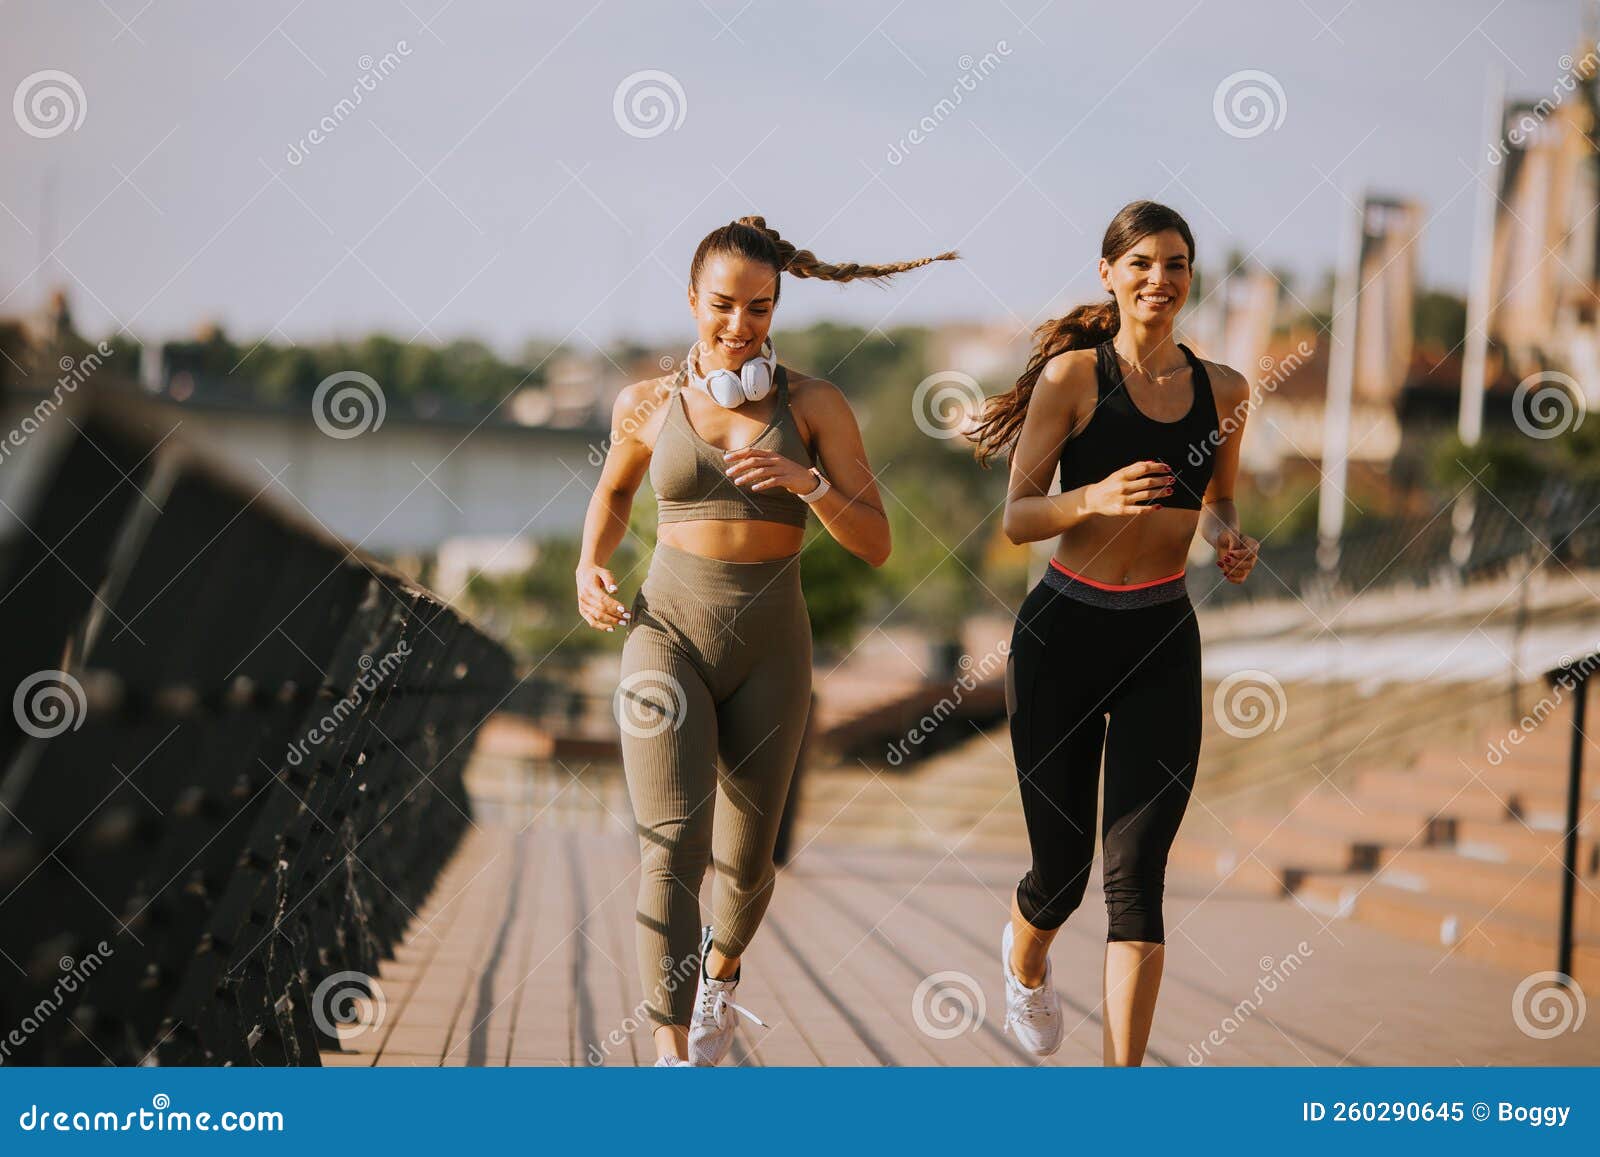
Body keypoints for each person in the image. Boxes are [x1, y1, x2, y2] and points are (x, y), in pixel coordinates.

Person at [576, 215, 956, 1066]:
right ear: (690, 300)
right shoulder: (643, 403)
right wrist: (587, 567)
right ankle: (671, 1053)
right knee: (671, 843)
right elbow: (610, 498)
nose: (739, 325)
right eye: (722, 306)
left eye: (759, 307)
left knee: (746, 868)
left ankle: (721, 969)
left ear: (778, 306)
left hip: (773, 651)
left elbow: (876, 541)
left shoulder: (815, 405)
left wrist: (807, 482)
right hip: (665, 632)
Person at [967, 199, 1259, 1065]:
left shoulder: (1227, 391)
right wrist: (1091, 498)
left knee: (1137, 880)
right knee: (1060, 876)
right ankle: (1026, 960)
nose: (1158, 280)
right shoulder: (1072, 381)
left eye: (1175, 264)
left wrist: (1229, 538)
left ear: (1190, 278)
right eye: (1140, 264)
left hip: (1160, 641)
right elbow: (1019, 516)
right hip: (1063, 636)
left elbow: (1220, 498)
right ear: (1108, 274)